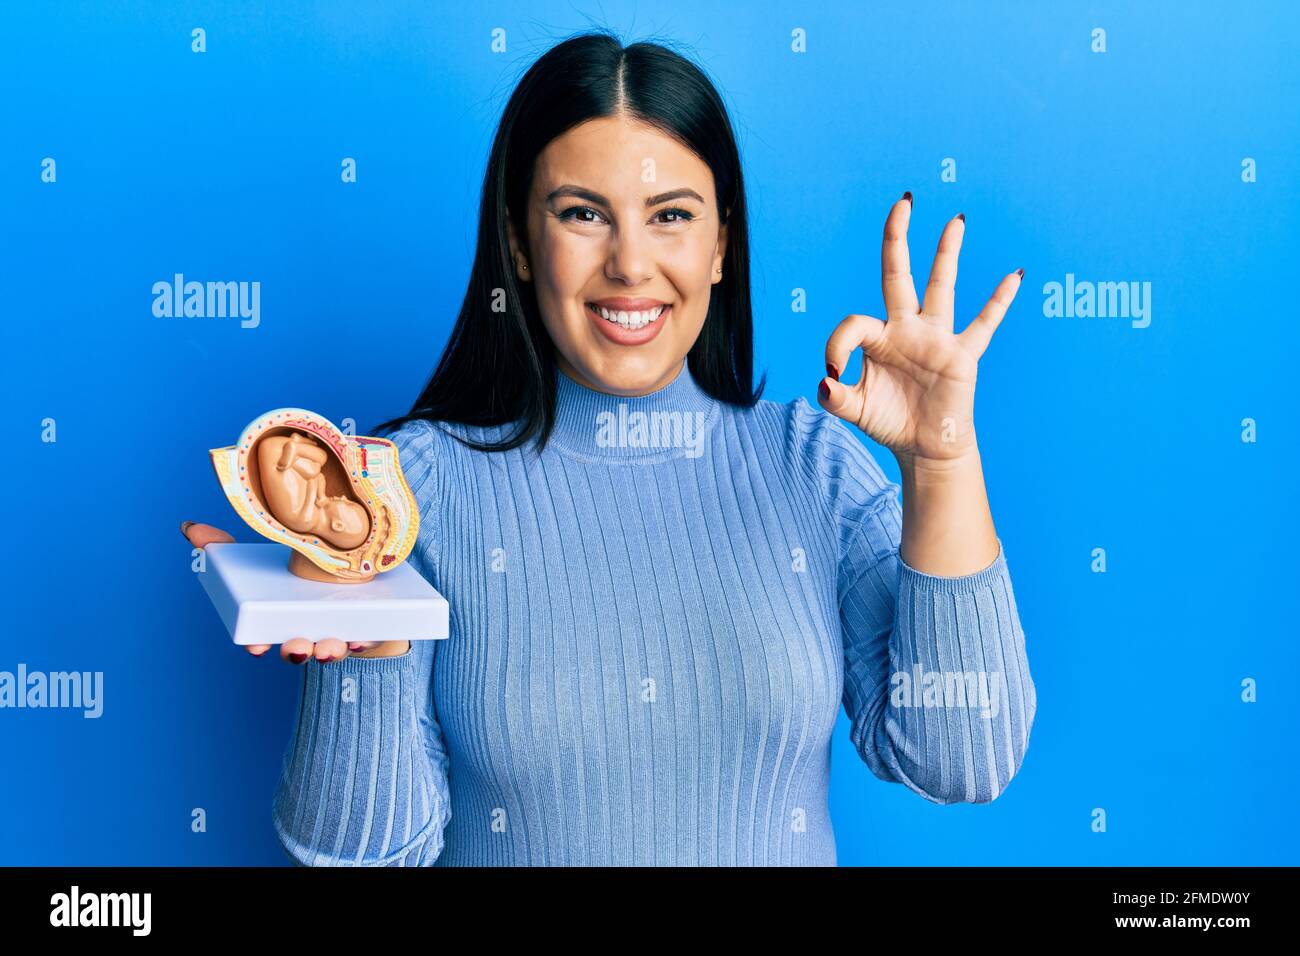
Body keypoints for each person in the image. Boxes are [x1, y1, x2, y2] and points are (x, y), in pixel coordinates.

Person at [182, 31, 1036, 866]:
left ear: (719, 248)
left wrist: (941, 464)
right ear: (519, 243)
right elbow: (355, 854)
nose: (631, 264)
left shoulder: (812, 470)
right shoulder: (413, 492)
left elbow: (961, 757)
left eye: (671, 216)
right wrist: (355, 635)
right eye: (583, 214)